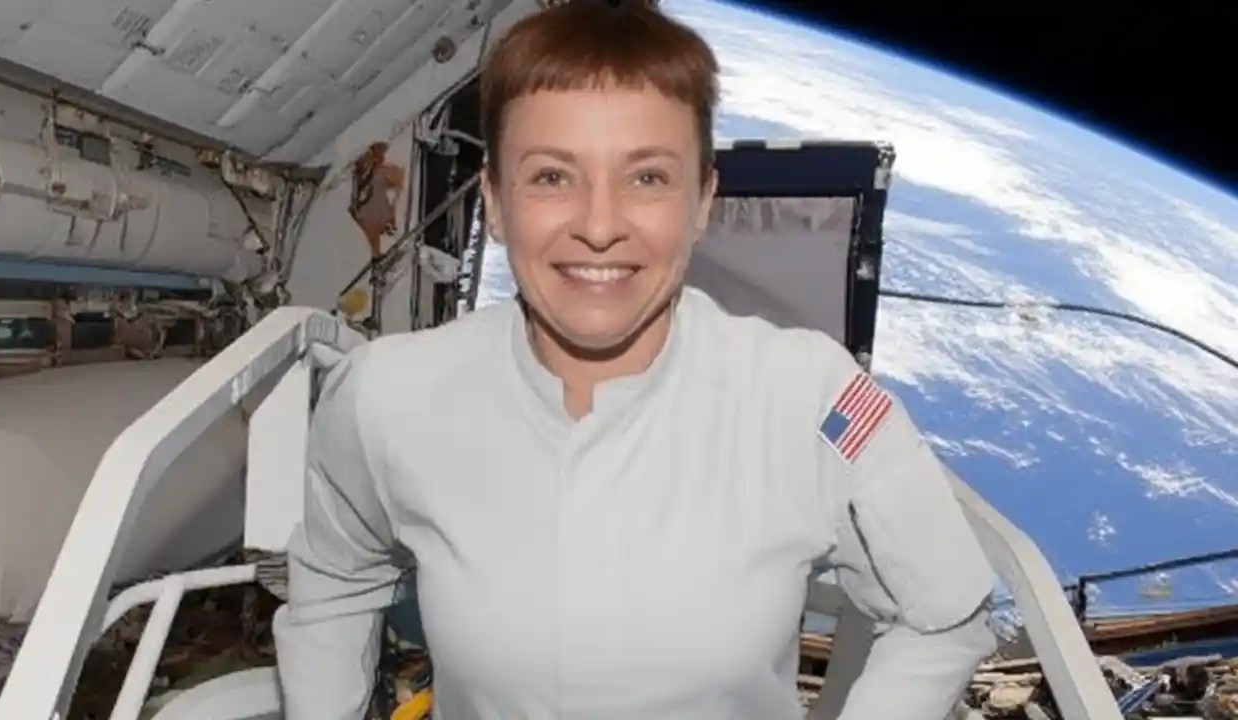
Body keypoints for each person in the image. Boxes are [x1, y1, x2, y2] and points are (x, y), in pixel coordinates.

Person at [272, 1, 999, 718]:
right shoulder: (387, 394)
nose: (598, 226)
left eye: (647, 177)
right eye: (552, 176)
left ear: (704, 198)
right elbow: (333, 582)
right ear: (494, 199)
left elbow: (946, 615)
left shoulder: (814, 398)